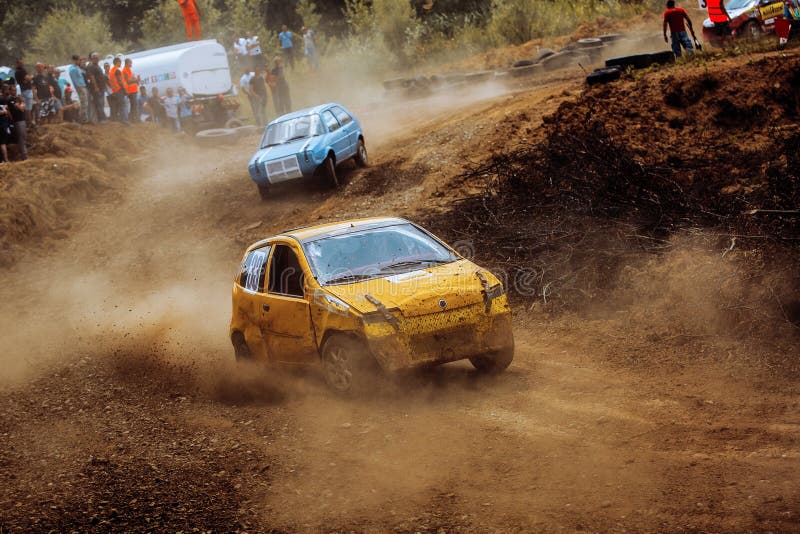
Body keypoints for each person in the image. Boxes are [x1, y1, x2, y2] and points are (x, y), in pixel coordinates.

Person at [6, 84, 27, 160]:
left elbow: (23, 106)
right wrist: (21, 106)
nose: (14, 92)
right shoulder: (10, 100)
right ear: (10, 91)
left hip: (22, 120)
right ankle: (25, 156)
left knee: (24, 138)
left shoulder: (18, 99)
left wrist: (21, 105)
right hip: (17, 121)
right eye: (13, 90)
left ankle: (23, 155)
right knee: (21, 139)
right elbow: (21, 108)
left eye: (15, 90)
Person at [86, 53, 107, 123]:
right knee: (99, 103)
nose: (97, 59)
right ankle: (101, 119)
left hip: (101, 87)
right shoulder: (91, 66)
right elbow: (92, 77)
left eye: (97, 58)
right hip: (97, 88)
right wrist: (96, 87)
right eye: (95, 58)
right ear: (92, 59)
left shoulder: (97, 65)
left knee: (101, 103)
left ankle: (103, 118)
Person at [68, 55, 89, 123]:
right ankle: (81, 119)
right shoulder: (73, 69)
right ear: (75, 60)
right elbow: (75, 81)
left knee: (85, 103)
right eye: (79, 60)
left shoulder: (77, 67)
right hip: (80, 87)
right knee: (83, 103)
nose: (80, 61)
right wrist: (80, 89)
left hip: (83, 85)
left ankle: (84, 118)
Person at [14, 59, 34, 126]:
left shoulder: (21, 70)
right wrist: (29, 77)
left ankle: (29, 123)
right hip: (25, 91)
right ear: (17, 64)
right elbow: (28, 78)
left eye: (22, 62)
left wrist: (28, 78)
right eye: (20, 63)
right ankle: (28, 123)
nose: (22, 64)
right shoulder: (19, 71)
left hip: (26, 90)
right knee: (26, 109)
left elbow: (27, 78)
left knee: (28, 109)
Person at [108, 57, 127, 123]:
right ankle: (124, 120)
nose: (121, 63)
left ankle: (121, 120)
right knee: (122, 105)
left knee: (120, 105)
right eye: (120, 62)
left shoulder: (111, 71)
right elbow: (120, 81)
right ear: (117, 62)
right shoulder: (117, 70)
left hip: (115, 90)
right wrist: (125, 90)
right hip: (120, 89)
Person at [123, 58, 141, 123]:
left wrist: (137, 80)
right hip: (131, 91)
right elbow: (128, 81)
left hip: (134, 90)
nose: (131, 64)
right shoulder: (125, 70)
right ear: (127, 63)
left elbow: (132, 78)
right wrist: (136, 80)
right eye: (130, 63)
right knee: (134, 105)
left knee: (134, 105)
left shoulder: (129, 70)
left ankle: (134, 118)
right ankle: (134, 119)